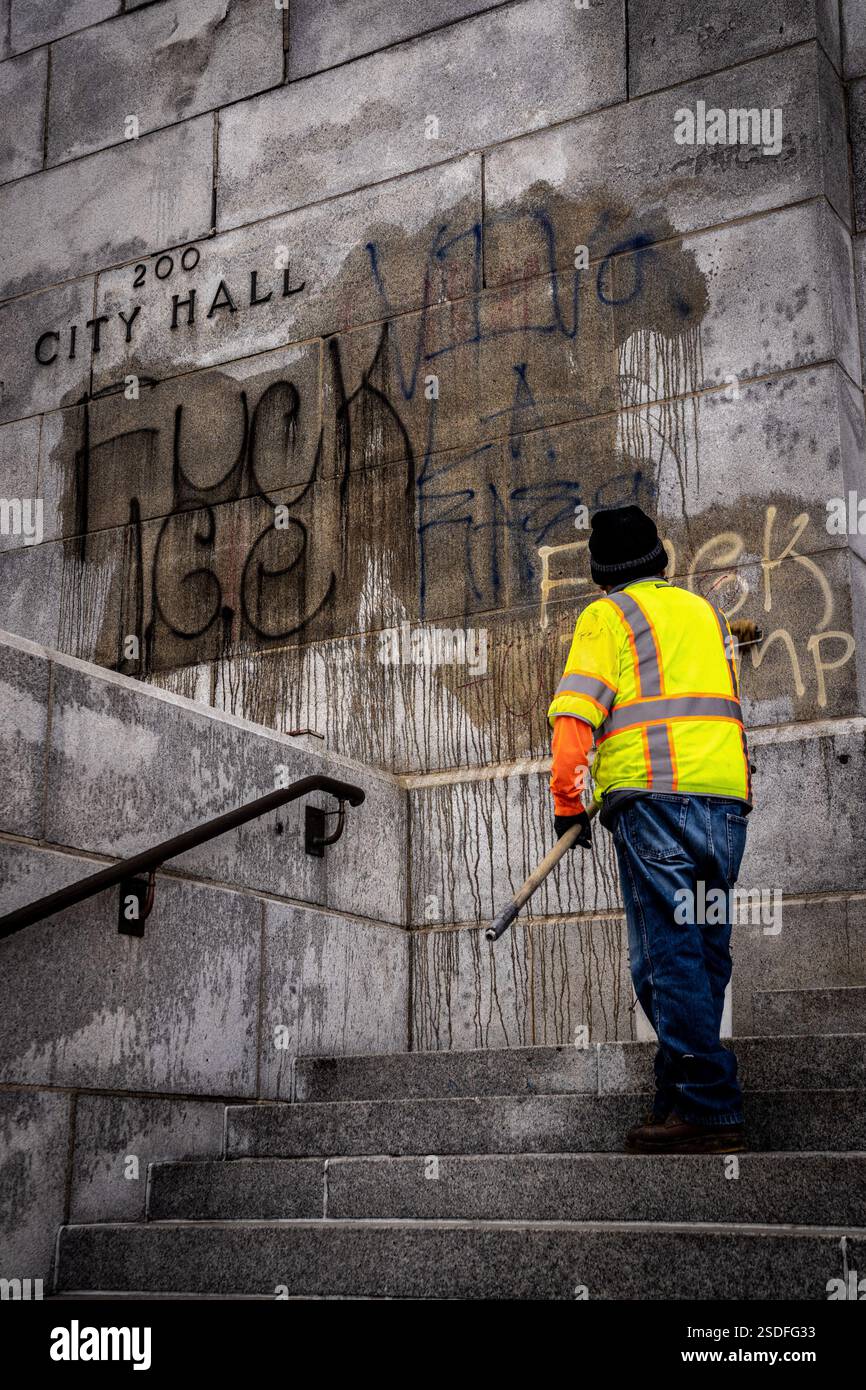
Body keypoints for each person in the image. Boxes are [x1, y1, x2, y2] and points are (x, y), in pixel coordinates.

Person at [548, 505, 751, 1154]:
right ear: (661, 561)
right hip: (725, 806)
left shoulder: (607, 617)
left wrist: (568, 803)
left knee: (664, 958)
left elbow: (575, 716)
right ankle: (676, 1089)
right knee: (702, 952)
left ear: (601, 573)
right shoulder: (702, 613)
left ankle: (709, 1102)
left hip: (655, 803)